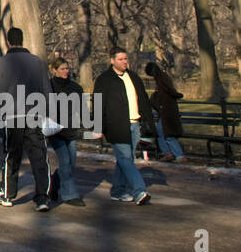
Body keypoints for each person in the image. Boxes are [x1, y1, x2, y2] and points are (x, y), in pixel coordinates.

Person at [0, 27, 53, 211]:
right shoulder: (36, 62)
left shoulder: (3, 62)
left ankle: (8, 193)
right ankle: (42, 196)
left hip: (12, 115)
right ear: (23, 40)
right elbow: (46, 88)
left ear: (8, 42)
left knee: (12, 154)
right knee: (39, 156)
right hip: (34, 114)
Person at [92, 50, 153, 204]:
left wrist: (148, 121)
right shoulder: (104, 79)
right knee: (125, 158)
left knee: (126, 159)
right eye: (120, 59)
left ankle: (118, 190)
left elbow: (143, 99)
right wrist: (98, 126)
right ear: (112, 61)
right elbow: (98, 103)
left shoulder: (133, 77)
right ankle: (140, 191)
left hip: (134, 124)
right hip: (116, 126)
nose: (124, 62)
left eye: (126, 58)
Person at [47, 56, 86, 206]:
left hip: (71, 129)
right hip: (56, 131)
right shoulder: (49, 87)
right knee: (64, 161)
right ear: (54, 70)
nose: (66, 71)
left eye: (67, 68)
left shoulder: (75, 87)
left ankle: (52, 187)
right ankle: (70, 195)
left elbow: (82, 108)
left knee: (71, 164)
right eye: (62, 69)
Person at [146, 60, 186, 162]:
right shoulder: (162, 78)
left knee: (167, 133)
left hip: (166, 111)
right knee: (162, 132)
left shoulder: (161, 78)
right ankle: (169, 153)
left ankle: (177, 154)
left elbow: (169, 90)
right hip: (165, 110)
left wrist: (177, 95)